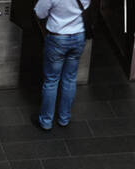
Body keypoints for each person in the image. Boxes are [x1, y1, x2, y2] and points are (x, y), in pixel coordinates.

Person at [33, 0, 89, 131]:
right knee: (70, 79)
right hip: (79, 36)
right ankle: (64, 118)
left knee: (51, 81)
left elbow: (39, 13)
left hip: (57, 38)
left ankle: (46, 121)